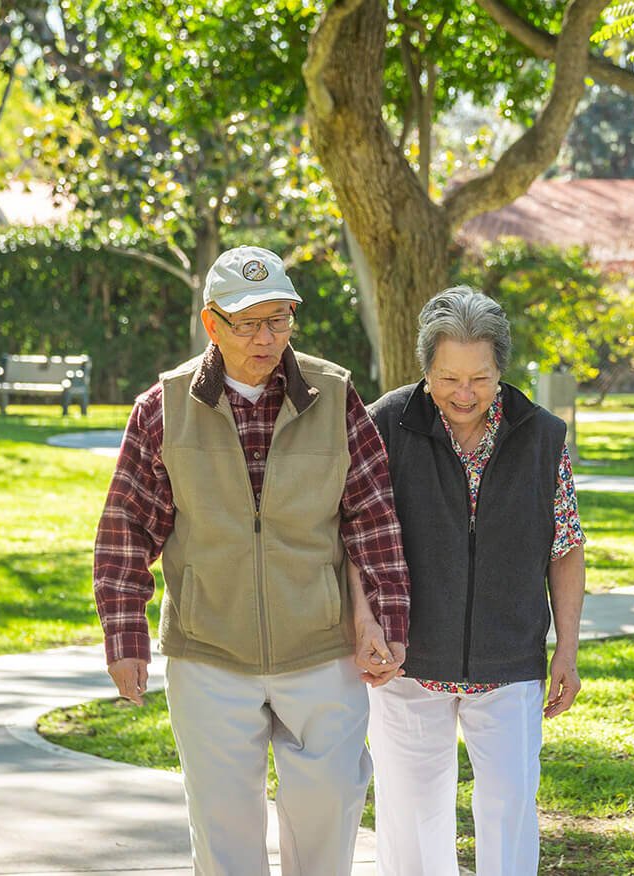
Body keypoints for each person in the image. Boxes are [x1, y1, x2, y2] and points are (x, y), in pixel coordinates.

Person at [92, 244, 410, 875]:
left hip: (320, 647)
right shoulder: (162, 408)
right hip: (210, 653)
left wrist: (387, 623)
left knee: (330, 809)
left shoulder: (334, 395)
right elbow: (126, 530)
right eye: (248, 322)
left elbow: (373, 520)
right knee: (224, 829)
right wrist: (124, 636)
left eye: (279, 319)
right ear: (212, 324)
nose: (267, 338)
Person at [366, 287, 587, 876]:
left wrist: (566, 649)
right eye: (447, 378)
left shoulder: (543, 437)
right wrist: (363, 626)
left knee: (510, 808)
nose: (464, 395)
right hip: (405, 662)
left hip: (509, 662)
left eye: (480, 378)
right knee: (410, 816)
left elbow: (564, 547)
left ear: (501, 370)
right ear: (426, 369)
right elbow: (351, 537)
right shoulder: (385, 423)